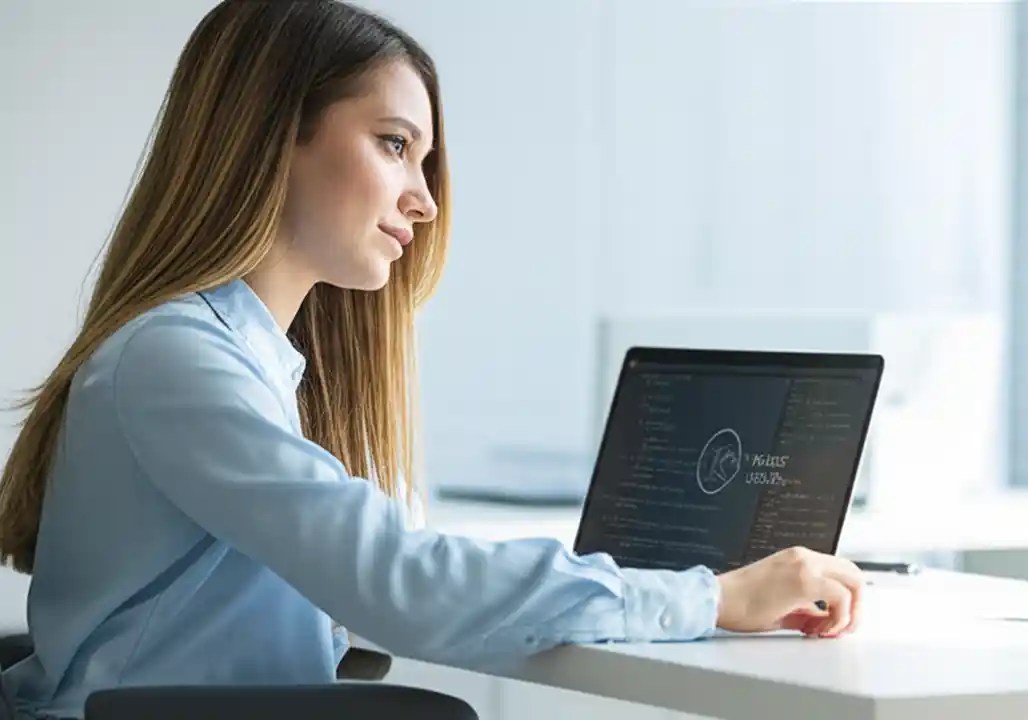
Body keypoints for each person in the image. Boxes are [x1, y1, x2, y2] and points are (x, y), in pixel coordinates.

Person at [0, 2, 863, 717]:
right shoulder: (175, 358)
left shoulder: (248, 363)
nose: (422, 198)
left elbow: (377, 575)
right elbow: (403, 586)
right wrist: (707, 598)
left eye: (426, 159)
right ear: (274, 136)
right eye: (393, 143)